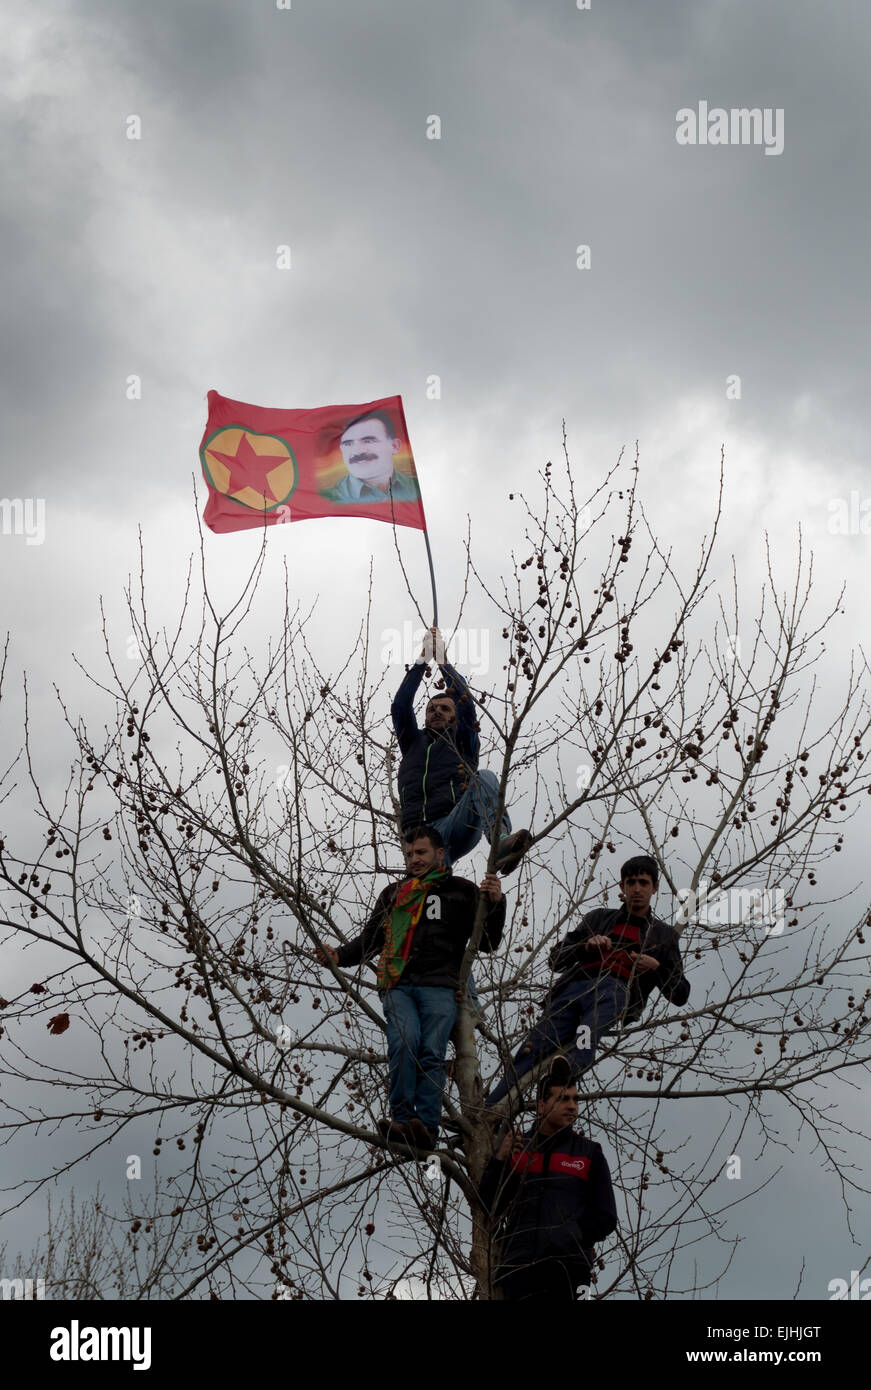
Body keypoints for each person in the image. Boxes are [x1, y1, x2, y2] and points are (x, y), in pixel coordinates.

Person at [317, 825, 505, 1150]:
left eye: (420, 852)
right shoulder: (394, 894)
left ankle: (426, 1129)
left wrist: (496, 902)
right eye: (409, 854)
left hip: (441, 986)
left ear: (440, 853)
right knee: (405, 1041)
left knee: (431, 1053)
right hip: (398, 984)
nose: (414, 860)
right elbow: (371, 940)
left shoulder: (461, 890)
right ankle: (401, 1120)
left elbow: (488, 941)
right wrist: (338, 955)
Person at [485, 854, 690, 1108]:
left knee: (587, 1033)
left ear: (655, 887)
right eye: (631, 882)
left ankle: (566, 1072)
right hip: (572, 990)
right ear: (622, 887)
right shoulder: (598, 919)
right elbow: (555, 959)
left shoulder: (663, 936)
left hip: (614, 991)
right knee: (529, 1051)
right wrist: (586, 946)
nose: (636, 889)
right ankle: (489, 1109)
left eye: (643, 883)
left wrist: (656, 967)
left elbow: (680, 994)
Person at [391, 626, 531, 874]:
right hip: (418, 837)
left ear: (455, 717)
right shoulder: (412, 742)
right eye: (432, 709)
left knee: (485, 777)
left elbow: (464, 699)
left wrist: (442, 659)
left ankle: (500, 843)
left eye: (445, 709)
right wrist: (423, 658)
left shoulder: (463, 741)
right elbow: (401, 705)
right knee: (431, 896)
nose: (437, 712)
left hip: (454, 822)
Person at [479, 1061, 617, 1301]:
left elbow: (605, 1217)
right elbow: (489, 1206)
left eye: (575, 1100)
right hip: (518, 1270)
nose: (572, 1106)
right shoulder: (519, 1148)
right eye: (563, 1099)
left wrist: (569, 1237)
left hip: (567, 1272)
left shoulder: (589, 1153)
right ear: (541, 1106)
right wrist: (500, 1159)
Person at [321, 410, 421, 504]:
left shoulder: (418, 490)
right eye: (348, 444)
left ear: (394, 446)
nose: (357, 451)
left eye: (368, 441)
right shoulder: (329, 499)